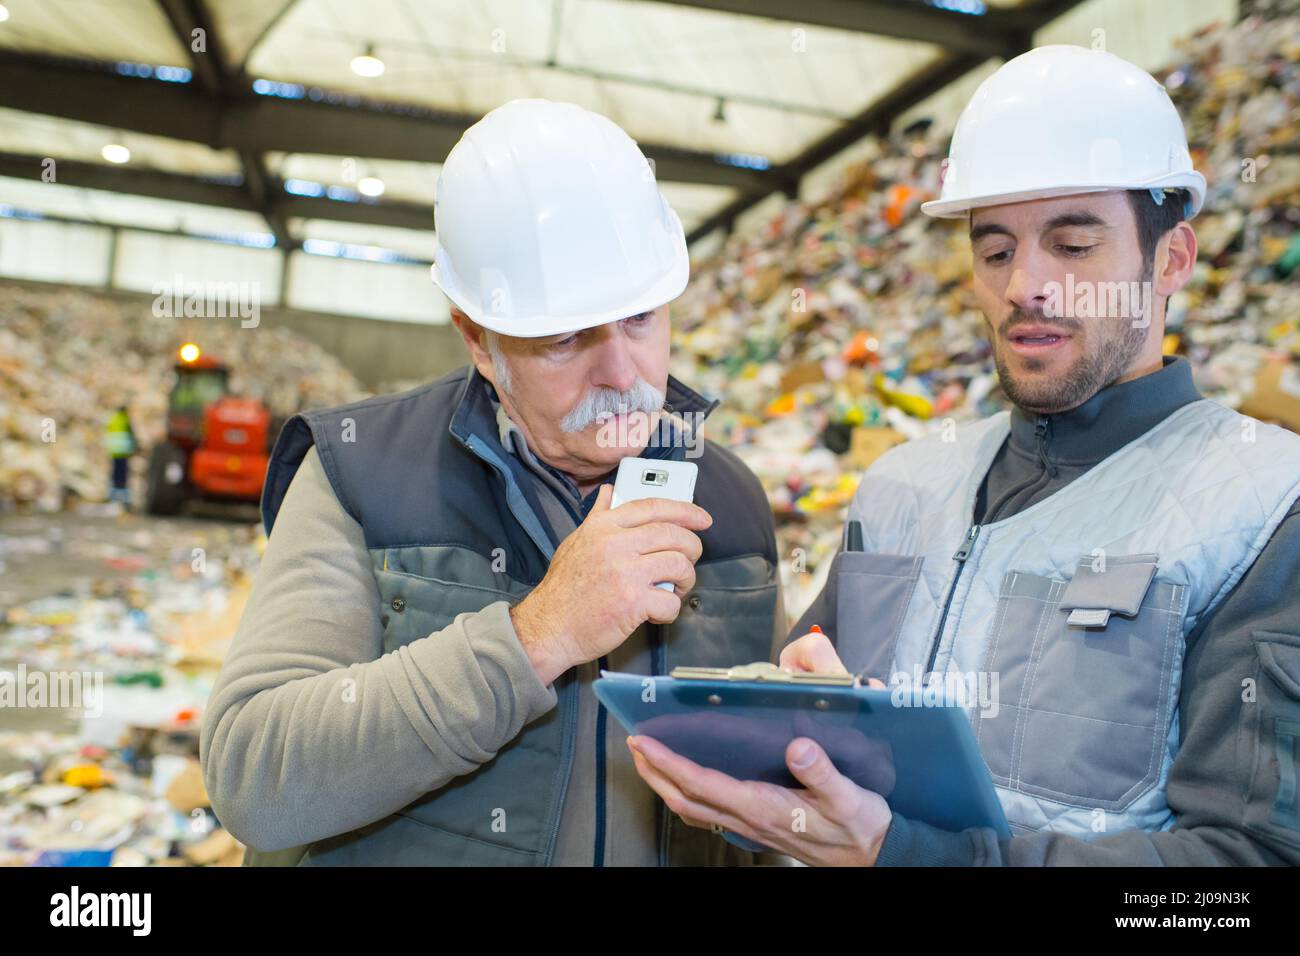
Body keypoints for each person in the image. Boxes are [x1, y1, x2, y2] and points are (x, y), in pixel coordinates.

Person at [628, 45, 1300, 866]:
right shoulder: (902, 487)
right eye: (995, 250)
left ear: (1172, 261)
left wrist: (912, 855)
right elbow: (800, 754)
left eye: (1074, 245)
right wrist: (748, 755)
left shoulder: (1264, 509)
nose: (1026, 284)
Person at [200, 99, 785, 866]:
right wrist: (538, 635)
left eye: (641, 318)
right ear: (477, 338)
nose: (622, 373)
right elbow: (255, 778)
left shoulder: (732, 504)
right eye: (566, 337)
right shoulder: (362, 471)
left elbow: (771, 810)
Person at [103, 404, 136, 508]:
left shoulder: (112, 420)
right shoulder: (125, 420)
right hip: (123, 451)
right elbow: (131, 434)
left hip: (113, 451)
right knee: (123, 475)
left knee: (114, 474)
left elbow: (107, 432)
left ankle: (112, 496)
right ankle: (123, 498)